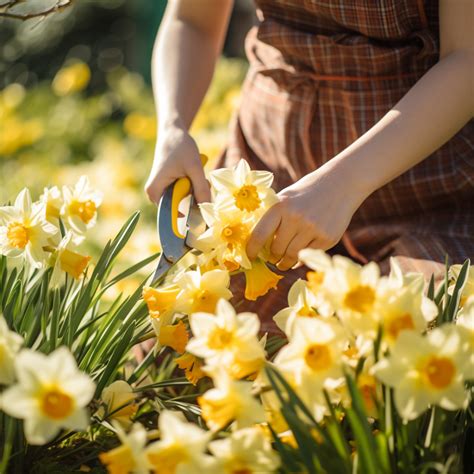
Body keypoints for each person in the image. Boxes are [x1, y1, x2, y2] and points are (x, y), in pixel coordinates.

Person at [144, 0, 473, 329]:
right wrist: (173, 127)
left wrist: (344, 184)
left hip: (431, 193)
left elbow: (466, 59)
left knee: (419, 339)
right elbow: (191, 21)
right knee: (186, 351)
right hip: (265, 186)